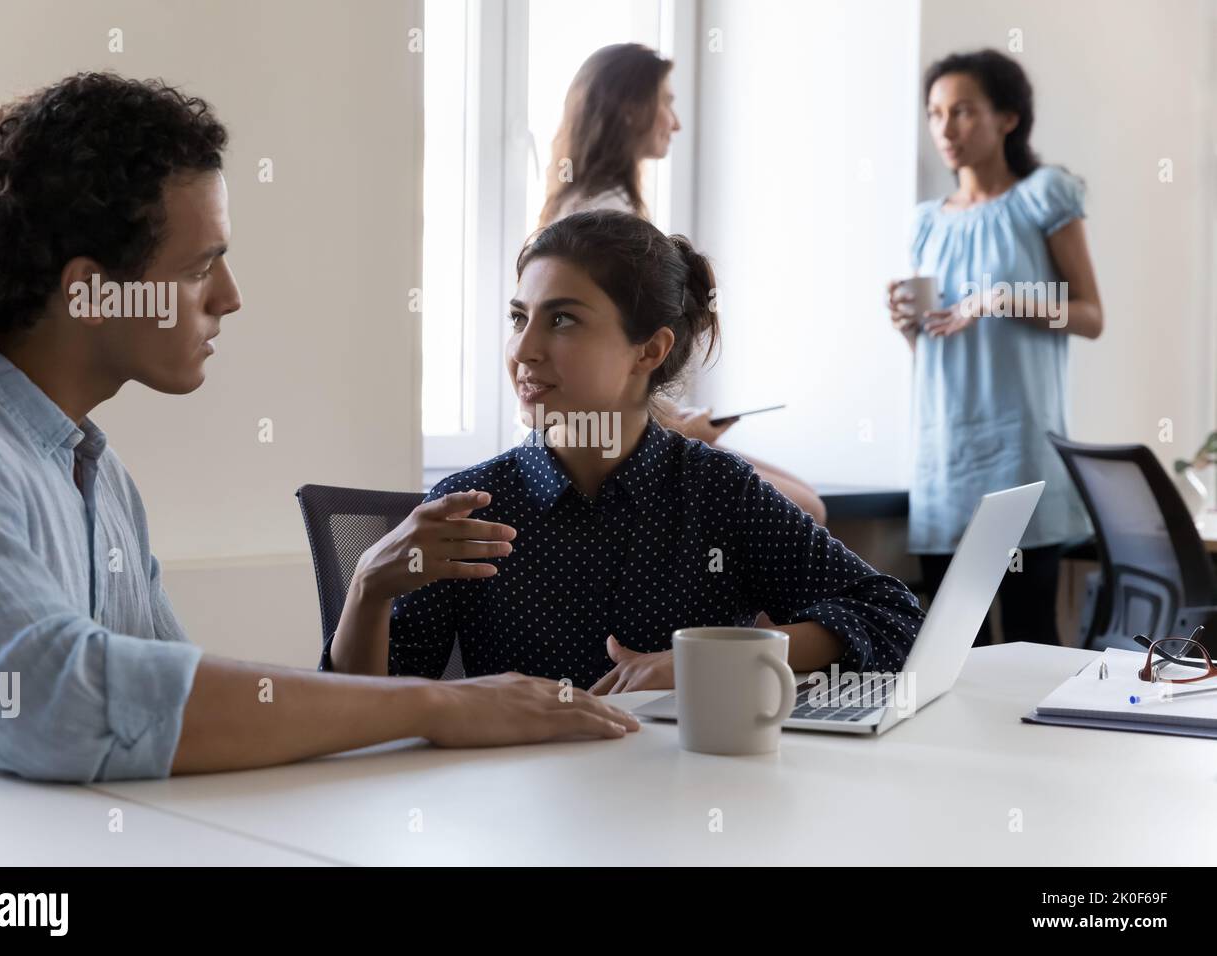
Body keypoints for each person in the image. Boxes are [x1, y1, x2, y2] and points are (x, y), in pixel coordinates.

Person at [0, 73, 640, 785]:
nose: (230, 298)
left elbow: (171, 708)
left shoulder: (97, 474)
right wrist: (438, 703)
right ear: (91, 291)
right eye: (203, 267)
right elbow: (56, 701)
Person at [327, 209, 925, 692]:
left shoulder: (715, 490)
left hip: (684, 807)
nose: (524, 350)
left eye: (561, 321)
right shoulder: (471, 507)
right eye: (519, 318)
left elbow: (893, 615)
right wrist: (368, 588)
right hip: (515, 815)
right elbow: (366, 719)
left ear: (648, 351)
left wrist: (712, 663)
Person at [540, 43, 826, 524]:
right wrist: (674, 426)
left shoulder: (590, 208)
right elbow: (605, 368)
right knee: (806, 509)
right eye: (667, 102)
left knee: (804, 501)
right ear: (632, 110)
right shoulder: (607, 223)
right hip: (607, 440)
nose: (675, 121)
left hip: (616, 426)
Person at [888, 49, 1103, 646]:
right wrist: (908, 327)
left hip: (1021, 458)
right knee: (953, 653)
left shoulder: (1043, 196)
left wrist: (1001, 297)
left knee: (1031, 643)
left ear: (1008, 118)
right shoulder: (925, 222)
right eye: (935, 114)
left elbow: (1090, 315)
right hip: (944, 461)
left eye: (962, 111)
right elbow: (934, 351)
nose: (945, 129)